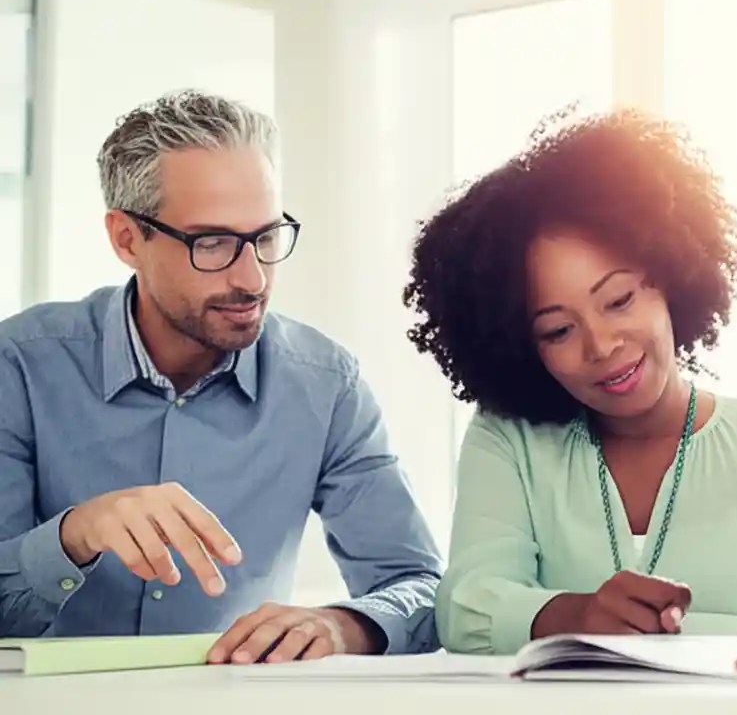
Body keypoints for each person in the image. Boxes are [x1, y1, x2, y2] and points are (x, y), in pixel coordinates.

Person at [404, 110, 737, 655]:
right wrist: (577, 613)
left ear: (672, 276)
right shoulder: (509, 440)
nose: (602, 345)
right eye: (558, 330)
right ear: (518, 347)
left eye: (620, 300)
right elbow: (465, 610)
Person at [0, 90, 443, 663]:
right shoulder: (19, 365)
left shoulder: (326, 384)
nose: (253, 277)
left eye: (264, 237)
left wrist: (342, 626)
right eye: (211, 243)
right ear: (126, 239)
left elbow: (421, 588)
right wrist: (73, 536)